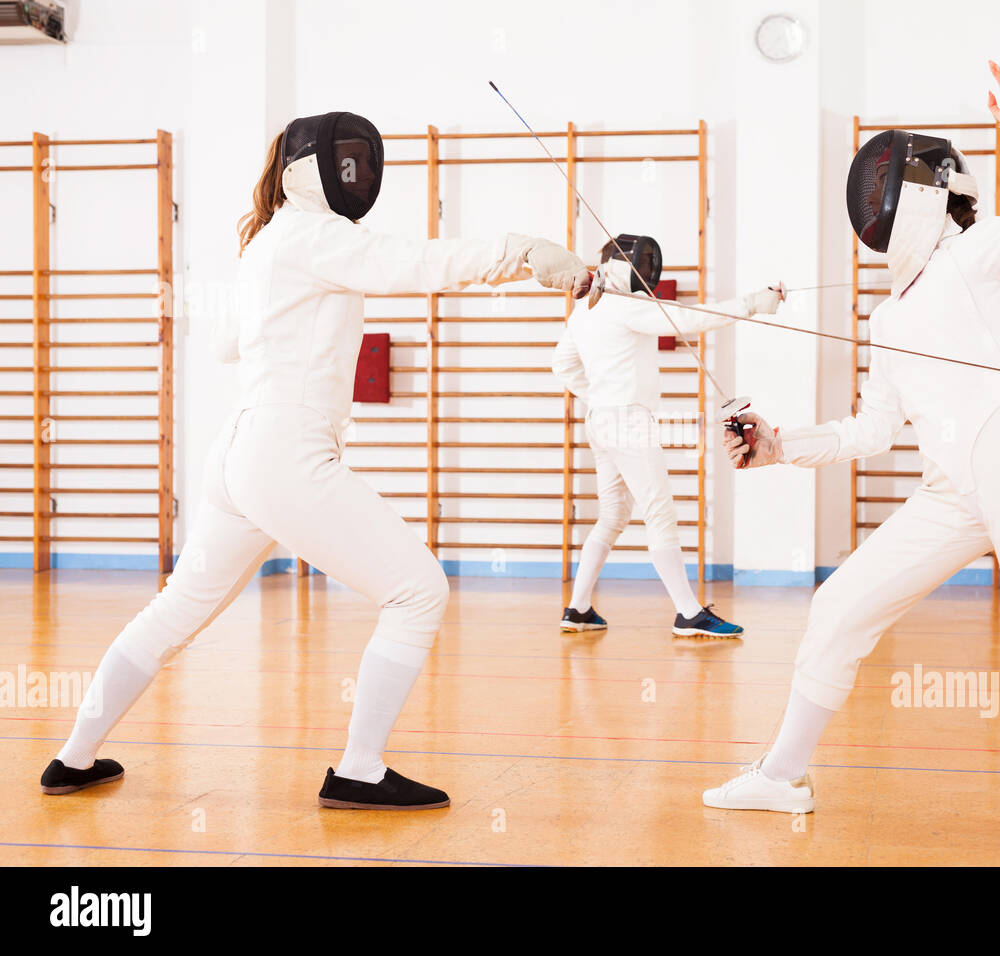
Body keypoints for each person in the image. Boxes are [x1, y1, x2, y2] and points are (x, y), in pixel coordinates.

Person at [40, 111, 591, 810]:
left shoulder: (271, 241)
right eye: (348, 160)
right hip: (284, 456)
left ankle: (74, 757)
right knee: (419, 591)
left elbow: (225, 346)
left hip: (240, 455)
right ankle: (359, 770)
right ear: (311, 169)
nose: (358, 173)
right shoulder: (316, 237)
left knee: (177, 606)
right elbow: (418, 265)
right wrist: (523, 250)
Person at [702, 63, 1000, 844]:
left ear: (916, 194)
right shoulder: (885, 320)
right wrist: (780, 447)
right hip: (952, 491)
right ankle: (782, 775)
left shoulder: (973, 255)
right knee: (837, 607)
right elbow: (871, 431)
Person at [551, 234, 782, 637]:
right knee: (658, 513)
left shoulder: (584, 310)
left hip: (601, 421)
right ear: (628, 266)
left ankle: (578, 607)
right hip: (626, 423)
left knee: (613, 515)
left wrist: (601, 397)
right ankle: (688, 613)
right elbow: (686, 320)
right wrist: (751, 304)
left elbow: (563, 366)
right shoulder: (623, 305)